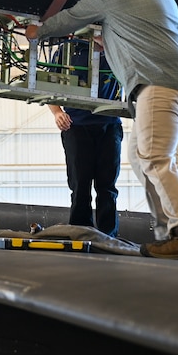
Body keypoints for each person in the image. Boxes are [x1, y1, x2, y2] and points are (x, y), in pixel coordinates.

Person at [27, 0, 178, 261]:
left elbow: (71, 18)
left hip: (159, 83)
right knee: (139, 157)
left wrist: (37, 32)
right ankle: (167, 236)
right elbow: (147, 34)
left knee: (155, 158)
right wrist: (108, 41)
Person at [46, 40, 123, 236]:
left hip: (109, 125)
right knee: (80, 185)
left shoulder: (118, 49)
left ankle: (108, 236)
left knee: (107, 187)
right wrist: (57, 112)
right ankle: (80, 233)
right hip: (77, 126)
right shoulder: (67, 50)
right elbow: (48, 86)